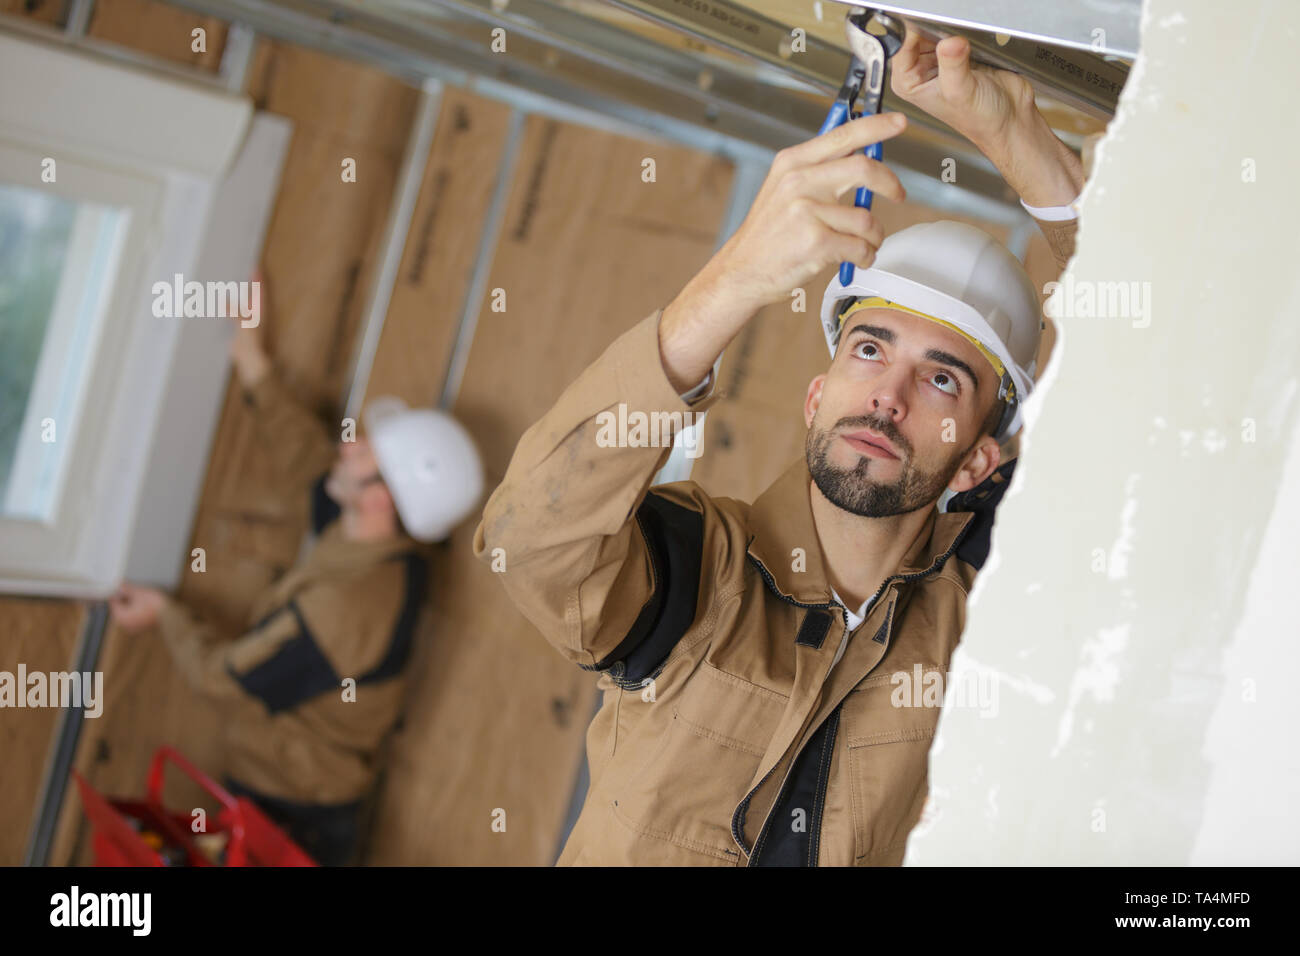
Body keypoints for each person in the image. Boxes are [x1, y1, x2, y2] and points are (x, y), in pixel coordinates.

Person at [473, 31, 1083, 865]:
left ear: (980, 461)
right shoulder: (697, 574)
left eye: (942, 379)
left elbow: (1177, 406)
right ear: (814, 397)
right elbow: (530, 545)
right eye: (868, 349)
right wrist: (734, 280)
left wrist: (1028, 151)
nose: (888, 396)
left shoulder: (983, 620)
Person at [109, 283, 483, 865]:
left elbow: (225, 680)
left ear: (382, 499)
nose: (350, 444)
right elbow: (311, 464)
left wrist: (166, 614)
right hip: (289, 794)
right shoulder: (380, 541)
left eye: (367, 454)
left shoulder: (347, 608)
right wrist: (253, 362)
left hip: (297, 820)